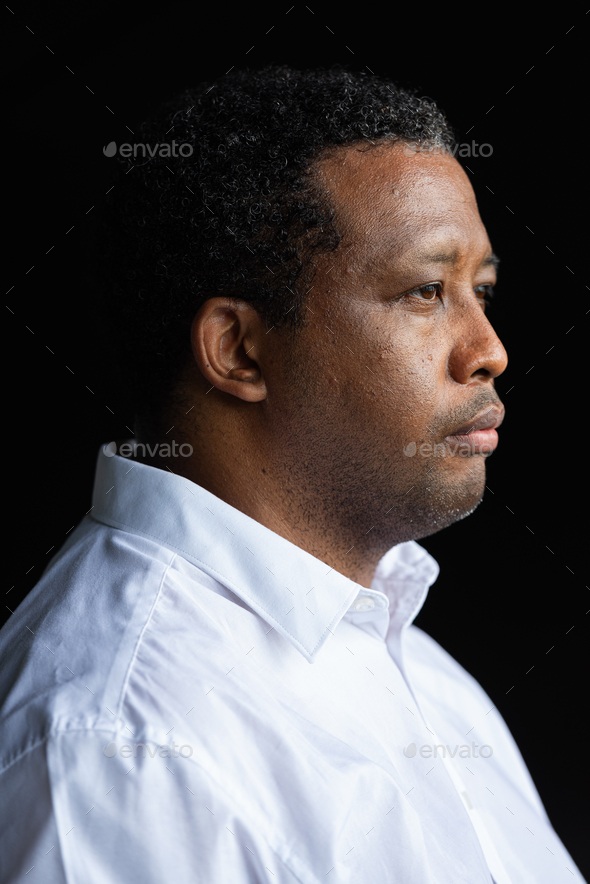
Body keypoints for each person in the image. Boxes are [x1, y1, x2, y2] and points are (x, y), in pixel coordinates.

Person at [0, 65, 582, 883]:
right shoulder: (119, 746)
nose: (489, 350)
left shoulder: (421, 673)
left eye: (480, 290)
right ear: (238, 350)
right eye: (426, 290)